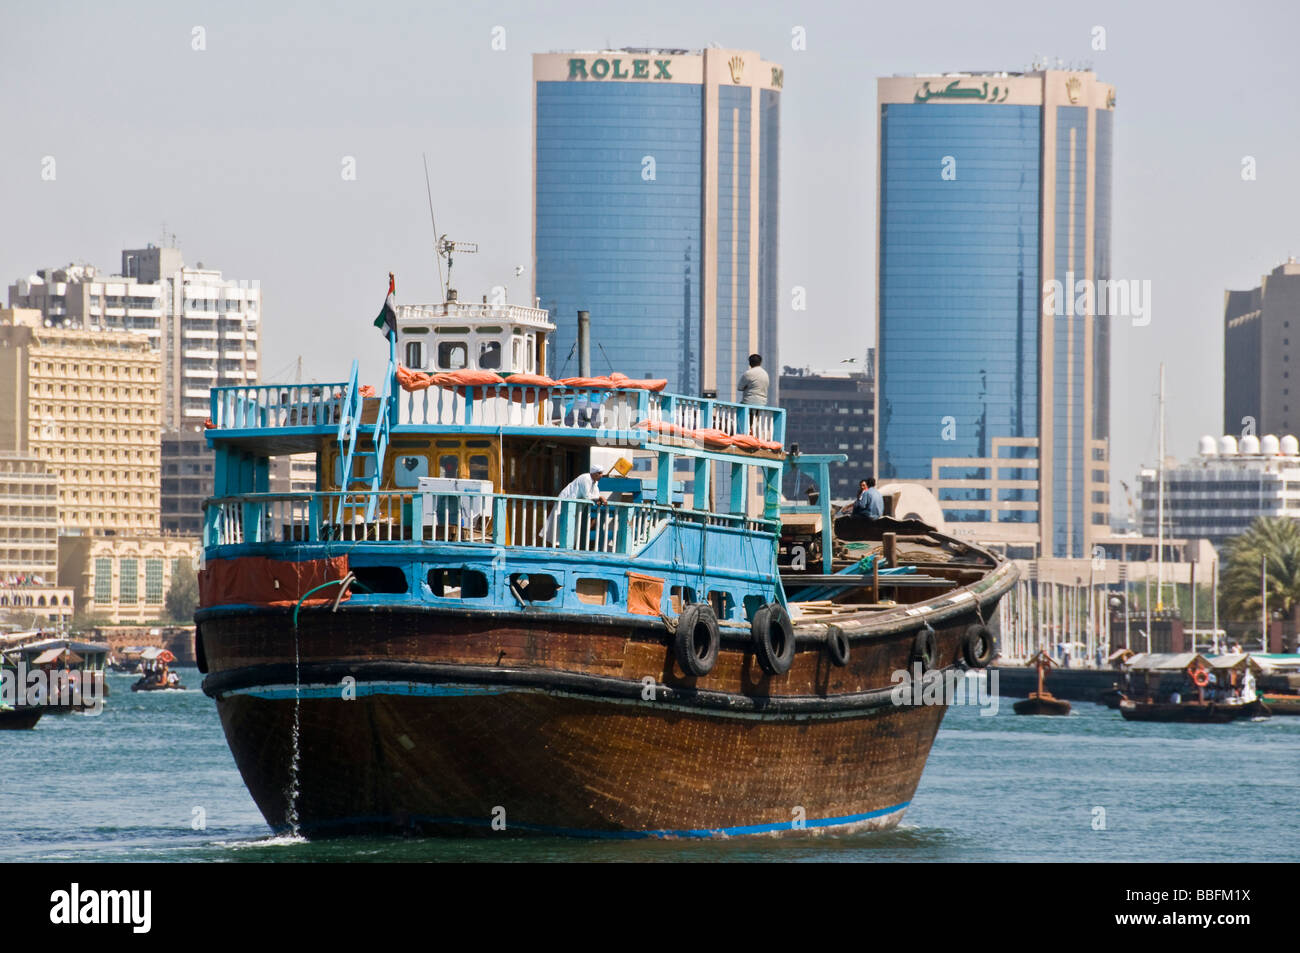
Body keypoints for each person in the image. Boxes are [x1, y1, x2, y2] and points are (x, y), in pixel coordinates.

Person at [541, 466, 608, 545]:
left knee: (571, 527)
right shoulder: (585, 478)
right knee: (558, 524)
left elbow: (595, 493)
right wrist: (599, 497)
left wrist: (598, 499)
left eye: (602, 473)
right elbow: (587, 495)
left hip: (575, 506)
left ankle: (565, 546)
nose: (601, 475)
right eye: (599, 473)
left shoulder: (595, 482)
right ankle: (552, 546)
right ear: (593, 473)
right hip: (565, 501)